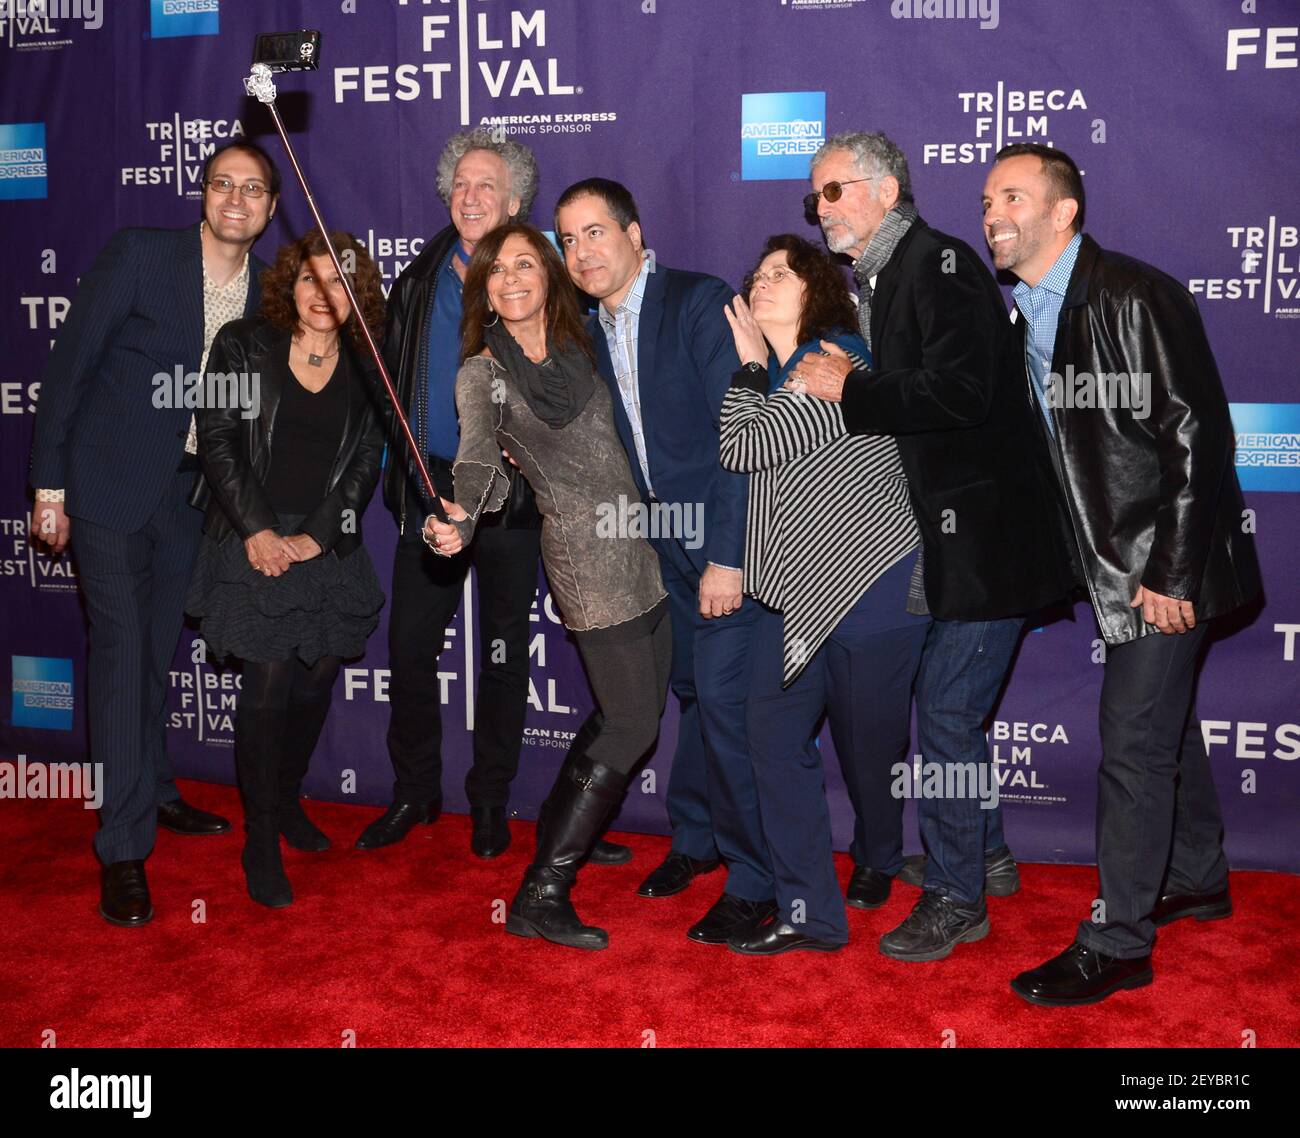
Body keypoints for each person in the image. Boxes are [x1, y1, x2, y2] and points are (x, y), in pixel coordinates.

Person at [981, 143, 1262, 1005]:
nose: (993, 213)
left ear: (1064, 212)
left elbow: (1196, 433)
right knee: (1164, 733)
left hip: (1164, 567)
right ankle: (1198, 876)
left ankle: (1119, 940)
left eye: (1014, 197)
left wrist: (1172, 574)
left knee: (1134, 743)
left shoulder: (1133, 295)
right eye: (988, 198)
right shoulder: (1031, 310)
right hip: (1120, 562)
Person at [792, 132, 1075, 961]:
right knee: (952, 708)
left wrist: (855, 389)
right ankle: (983, 857)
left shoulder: (938, 265)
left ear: (884, 190)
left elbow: (963, 391)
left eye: (834, 191)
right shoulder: (888, 274)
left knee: (947, 711)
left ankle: (957, 896)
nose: (821, 210)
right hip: (960, 544)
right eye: (815, 198)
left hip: (994, 542)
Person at [28, 141, 280, 927]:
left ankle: (155, 789)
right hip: (105, 488)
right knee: (122, 652)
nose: (235, 199)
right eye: (222, 185)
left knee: (154, 652)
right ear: (201, 193)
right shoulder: (142, 254)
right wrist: (48, 484)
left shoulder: (267, 294)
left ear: (271, 206)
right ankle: (124, 848)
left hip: (190, 502)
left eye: (252, 189)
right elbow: (70, 366)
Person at [366, 129, 629, 865]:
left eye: (488, 186)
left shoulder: (541, 273)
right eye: (460, 186)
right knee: (411, 649)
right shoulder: (417, 279)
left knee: (504, 653)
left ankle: (491, 801)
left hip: (514, 499)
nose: (471, 198)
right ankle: (414, 792)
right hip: (431, 490)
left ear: (516, 202)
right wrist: (399, 485)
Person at [424, 223, 669, 950]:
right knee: (631, 724)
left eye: (525, 263)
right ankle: (542, 891)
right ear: (484, 291)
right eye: (496, 271)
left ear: (549, 275)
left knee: (630, 714)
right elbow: (477, 461)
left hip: (647, 548)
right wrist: (462, 520)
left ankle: (577, 827)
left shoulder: (583, 342)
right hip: (589, 560)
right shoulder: (482, 373)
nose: (510, 279)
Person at [553, 179, 773, 946]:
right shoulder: (587, 330)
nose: (582, 252)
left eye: (594, 233)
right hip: (657, 551)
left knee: (730, 707)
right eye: (569, 240)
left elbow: (743, 437)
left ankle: (756, 882)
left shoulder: (695, 301)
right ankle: (696, 840)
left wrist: (728, 557)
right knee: (689, 697)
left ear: (635, 234)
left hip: (723, 547)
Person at [718, 235, 931, 955]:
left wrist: (748, 365)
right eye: (759, 272)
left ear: (818, 289)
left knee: (870, 749)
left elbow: (743, 447)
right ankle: (809, 911)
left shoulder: (832, 357)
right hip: (790, 602)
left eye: (783, 272)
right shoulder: (776, 377)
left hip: (868, 589)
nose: (765, 281)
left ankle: (877, 855)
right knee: (772, 741)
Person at [186, 230, 388, 907]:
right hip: (252, 534)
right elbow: (217, 440)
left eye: (338, 282)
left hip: (324, 544)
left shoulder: (369, 360)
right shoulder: (243, 345)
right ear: (289, 286)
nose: (322, 294)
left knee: (316, 677)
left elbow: (366, 463)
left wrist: (320, 538)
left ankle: (286, 794)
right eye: (309, 278)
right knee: (268, 685)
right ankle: (261, 834)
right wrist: (260, 530)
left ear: (356, 294)